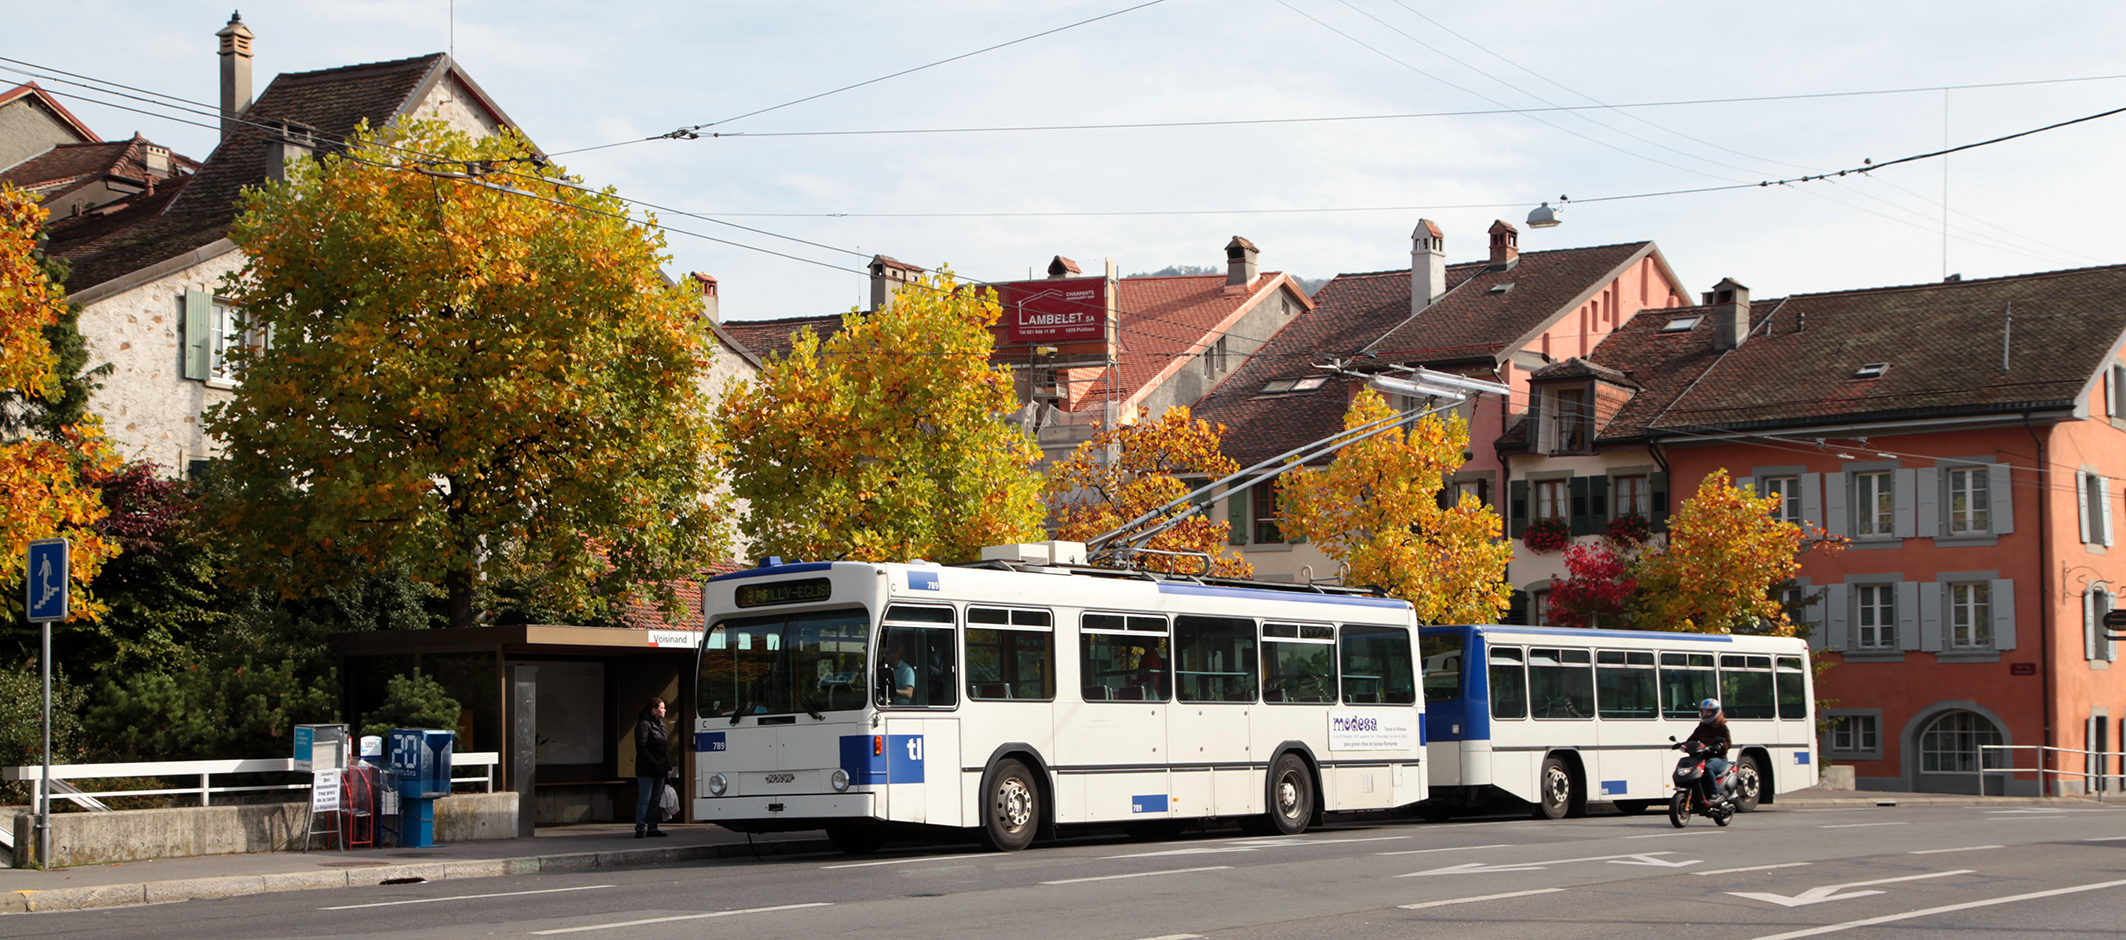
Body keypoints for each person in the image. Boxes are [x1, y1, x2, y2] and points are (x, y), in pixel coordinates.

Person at [634, 697, 672, 838]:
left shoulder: (661, 725)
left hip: (660, 768)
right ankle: (640, 827)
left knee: (655, 799)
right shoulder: (644, 725)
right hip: (647, 768)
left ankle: (652, 827)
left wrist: (667, 764)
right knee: (645, 798)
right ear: (654, 710)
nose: (664, 710)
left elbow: (664, 748)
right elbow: (641, 747)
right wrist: (654, 762)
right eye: (662, 708)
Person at [1685, 697, 1734, 802]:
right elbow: (1692, 738)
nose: (1705, 714)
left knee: (1707, 767)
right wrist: (1684, 745)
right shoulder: (1702, 727)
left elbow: (1728, 743)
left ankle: (1715, 793)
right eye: (1704, 711)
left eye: (1708, 712)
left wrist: (1720, 746)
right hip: (1703, 757)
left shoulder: (1722, 727)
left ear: (1715, 712)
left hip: (1719, 758)